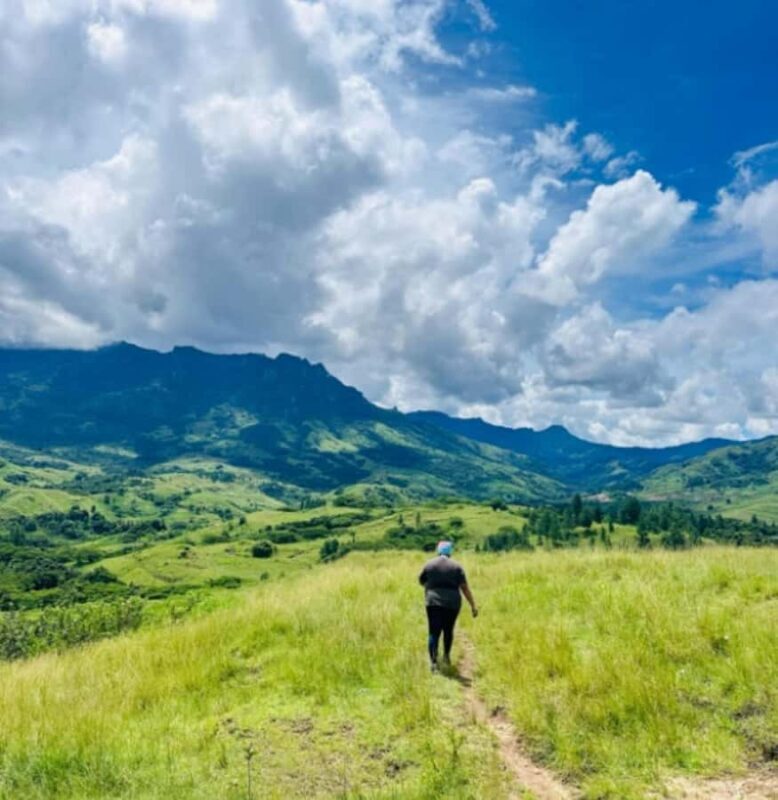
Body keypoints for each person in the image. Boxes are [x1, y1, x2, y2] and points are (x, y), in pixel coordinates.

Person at [418, 540, 478, 672]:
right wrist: (473, 605)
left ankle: (433, 662)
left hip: (433, 602)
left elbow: (421, 581)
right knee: (448, 630)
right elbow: (465, 588)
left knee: (433, 632)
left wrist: (431, 587)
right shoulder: (457, 567)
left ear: (438, 550)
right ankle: (446, 656)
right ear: (450, 551)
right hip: (452, 603)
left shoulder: (429, 564)